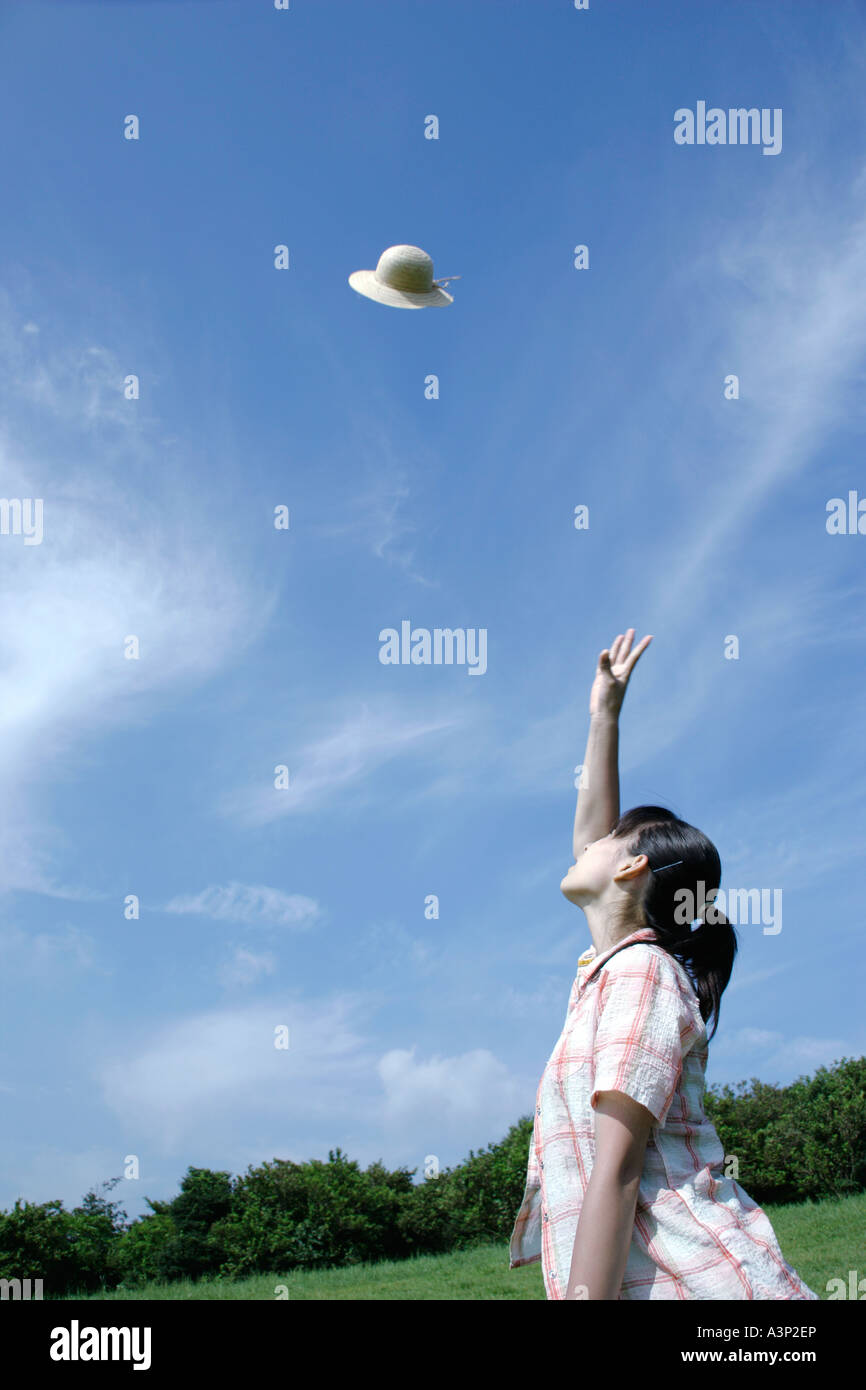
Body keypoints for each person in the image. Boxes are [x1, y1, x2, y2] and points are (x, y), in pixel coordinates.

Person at [508, 629, 819, 1301]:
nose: (586, 842)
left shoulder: (640, 975)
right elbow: (595, 838)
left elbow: (617, 1171)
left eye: (611, 838)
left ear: (632, 866)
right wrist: (604, 714)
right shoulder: (609, 976)